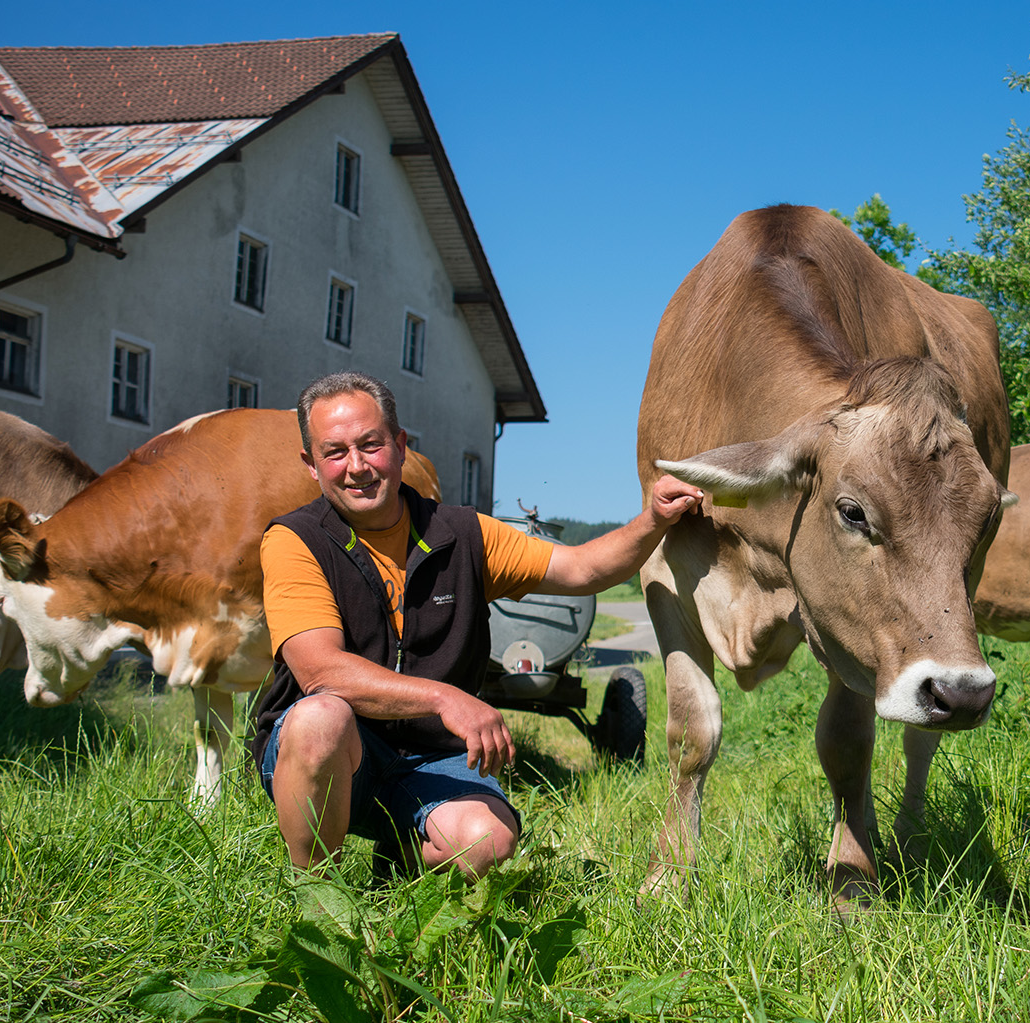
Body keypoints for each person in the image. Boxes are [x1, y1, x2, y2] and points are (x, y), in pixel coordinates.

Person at [254, 371, 702, 882]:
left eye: (370, 445)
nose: (356, 466)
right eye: (334, 452)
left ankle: (397, 859)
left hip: (431, 756)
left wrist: (653, 519)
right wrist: (446, 699)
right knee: (321, 718)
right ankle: (317, 893)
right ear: (311, 465)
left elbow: (582, 569)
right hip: (336, 750)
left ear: (399, 446)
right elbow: (321, 672)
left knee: (488, 843)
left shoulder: (462, 533)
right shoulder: (295, 540)